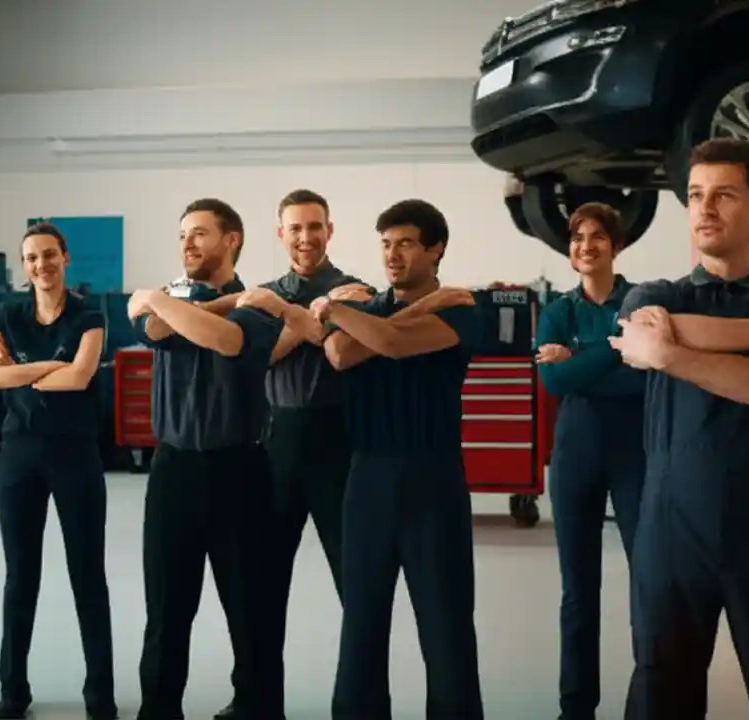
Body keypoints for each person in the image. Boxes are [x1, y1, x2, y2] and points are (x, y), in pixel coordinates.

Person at [609, 138, 749, 720]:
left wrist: (670, 351)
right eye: (694, 195)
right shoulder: (657, 295)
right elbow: (640, 332)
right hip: (670, 529)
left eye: (723, 195)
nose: (704, 209)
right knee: (662, 690)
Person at [315, 199, 483, 719]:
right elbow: (341, 355)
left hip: (432, 478)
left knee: (445, 621)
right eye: (385, 244)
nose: (392, 255)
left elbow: (387, 343)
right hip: (367, 477)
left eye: (405, 243)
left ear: (435, 249)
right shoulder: (366, 309)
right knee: (361, 619)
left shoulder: (460, 308)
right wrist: (361, 313)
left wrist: (328, 308)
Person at [211, 189, 372, 720]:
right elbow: (265, 354)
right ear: (280, 234)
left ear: (330, 230)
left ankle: (361, 703)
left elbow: (340, 356)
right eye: (296, 228)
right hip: (275, 444)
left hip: (337, 445)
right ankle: (256, 702)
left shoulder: (359, 291)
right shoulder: (259, 294)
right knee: (260, 584)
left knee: (356, 585)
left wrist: (294, 323)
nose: (306, 237)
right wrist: (314, 318)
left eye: (315, 226)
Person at [126, 198, 286, 720]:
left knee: (250, 611)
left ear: (231, 239)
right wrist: (164, 305)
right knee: (167, 612)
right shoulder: (183, 301)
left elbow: (225, 338)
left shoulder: (261, 305)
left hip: (239, 471)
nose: (187, 244)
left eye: (199, 233)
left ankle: (258, 709)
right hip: (174, 471)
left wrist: (155, 299)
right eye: (182, 235)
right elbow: (151, 329)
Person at [0, 223, 118, 720]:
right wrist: (45, 372)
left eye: (49, 256)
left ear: (65, 258)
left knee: (87, 575)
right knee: (20, 578)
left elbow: (79, 377)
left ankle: (100, 692)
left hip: (75, 455)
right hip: (19, 456)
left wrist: (22, 370)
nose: (41, 265)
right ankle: (12, 690)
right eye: (31, 258)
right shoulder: (8, 314)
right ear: (25, 265)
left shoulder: (90, 316)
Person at [533, 202, 646, 720]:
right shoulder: (558, 310)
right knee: (578, 589)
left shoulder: (640, 302)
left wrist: (580, 358)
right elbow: (554, 382)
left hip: (634, 452)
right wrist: (614, 347)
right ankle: (576, 706)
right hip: (575, 451)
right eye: (578, 237)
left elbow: (644, 373)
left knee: (650, 579)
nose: (585, 246)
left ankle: (651, 699)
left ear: (615, 246)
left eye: (597, 237)